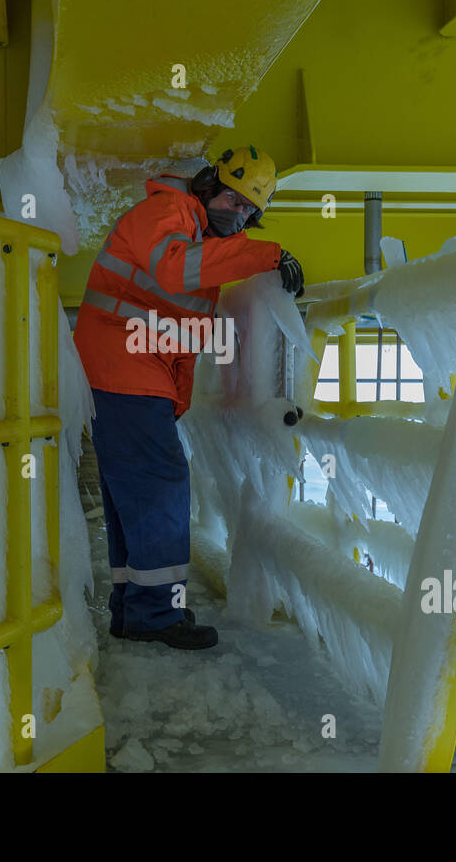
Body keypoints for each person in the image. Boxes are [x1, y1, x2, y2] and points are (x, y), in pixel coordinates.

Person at [74, 145, 304, 650]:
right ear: (208, 183)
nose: (236, 212)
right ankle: (157, 614)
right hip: (123, 363)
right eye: (232, 197)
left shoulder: (197, 233)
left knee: (131, 491)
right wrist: (268, 254)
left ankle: (133, 609)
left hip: (132, 367)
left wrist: (175, 395)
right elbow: (175, 270)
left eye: (248, 210)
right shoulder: (168, 211)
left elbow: (177, 332)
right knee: (161, 480)